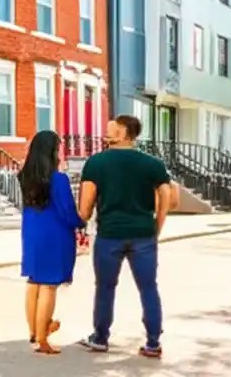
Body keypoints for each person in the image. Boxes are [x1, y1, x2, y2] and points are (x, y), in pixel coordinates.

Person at [76, 115, 172, 359]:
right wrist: (156, 227)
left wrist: (78, 218)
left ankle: (100, 338)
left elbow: (85, 209)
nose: (106, 128)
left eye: (111, 126)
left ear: (122, 132)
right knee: (148, 288)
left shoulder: (96, 163)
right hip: (143, 235)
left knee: (105, 287)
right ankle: (153, 342)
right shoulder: (153, 164)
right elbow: (168, 197)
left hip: (110, 235)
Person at [19, 130, 85, 355]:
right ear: (52, 151)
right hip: (54, 235)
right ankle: (42, 339)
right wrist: (81, 222)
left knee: (34, 282)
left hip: (32, 233)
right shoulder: (58, 179)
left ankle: (34, 331)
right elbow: (67, 211)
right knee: (49, 285)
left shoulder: (25, 176)